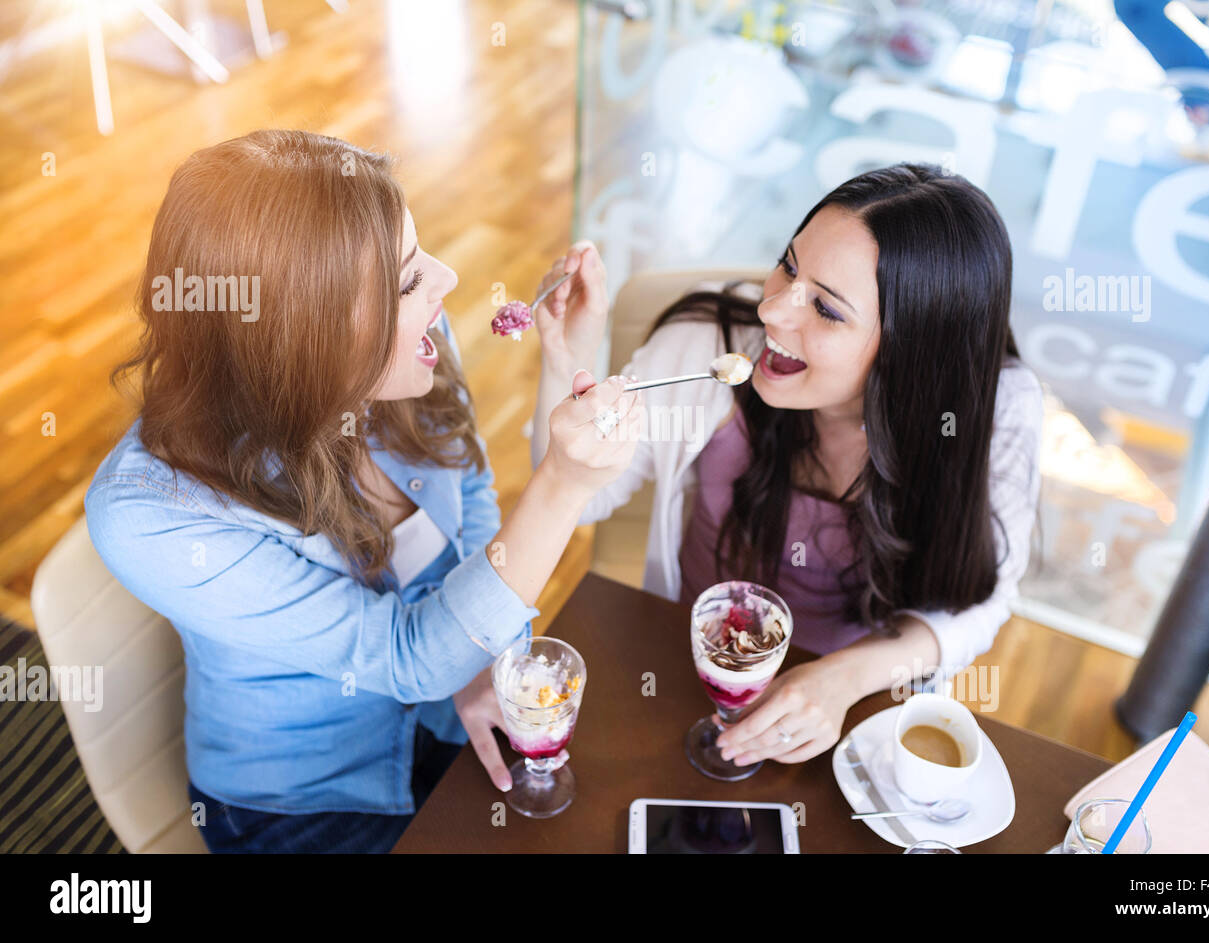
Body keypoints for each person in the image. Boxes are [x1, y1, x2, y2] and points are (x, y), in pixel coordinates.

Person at [83, 129, 644, 852]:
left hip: (450, 709)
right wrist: (563, 485)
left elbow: (469, 490)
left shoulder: (412, 344)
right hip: (305, 802)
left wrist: (477, 661)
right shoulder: (151, 514)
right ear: (304, 334)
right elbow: (412, 658)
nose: (446, 282)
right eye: (407, 279)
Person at [530, 164, 1043, 768]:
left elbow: (980, 602)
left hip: (859, 709)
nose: (773, 311)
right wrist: (570, 357)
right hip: (688, 671)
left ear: (912, 351)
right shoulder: (708, 344)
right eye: (789, 266)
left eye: (825, 310)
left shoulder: (996, 410)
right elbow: (576, 496)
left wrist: (840, 680)